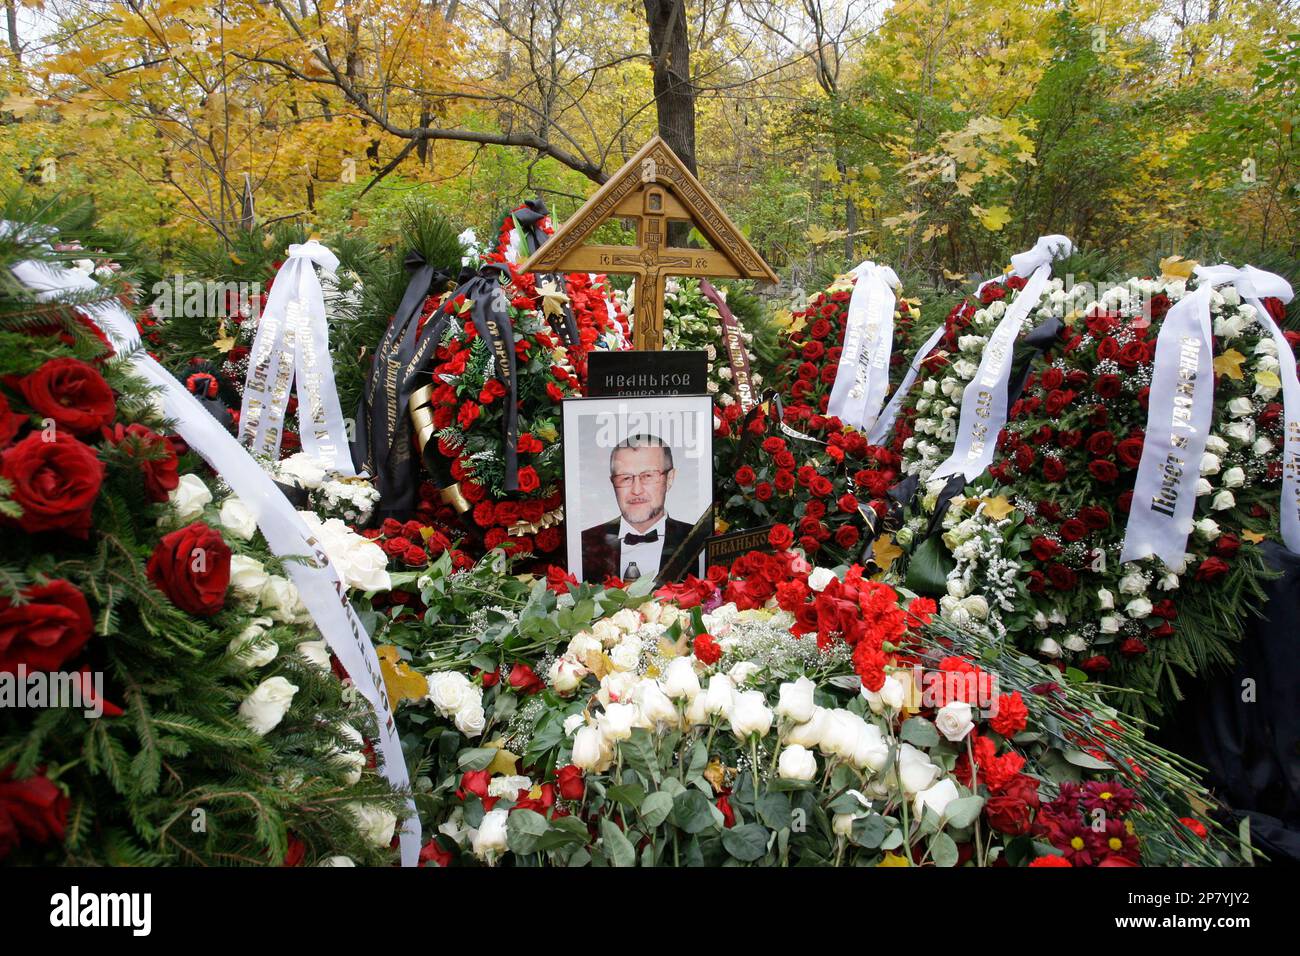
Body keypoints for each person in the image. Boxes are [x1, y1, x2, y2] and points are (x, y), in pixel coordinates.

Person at [579, 433, 695, 583]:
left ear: (670, 479)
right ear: (612, 482)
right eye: (625, 478)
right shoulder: (584, 543)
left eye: (648, 476)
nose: (637, 490)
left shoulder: (696, 540)